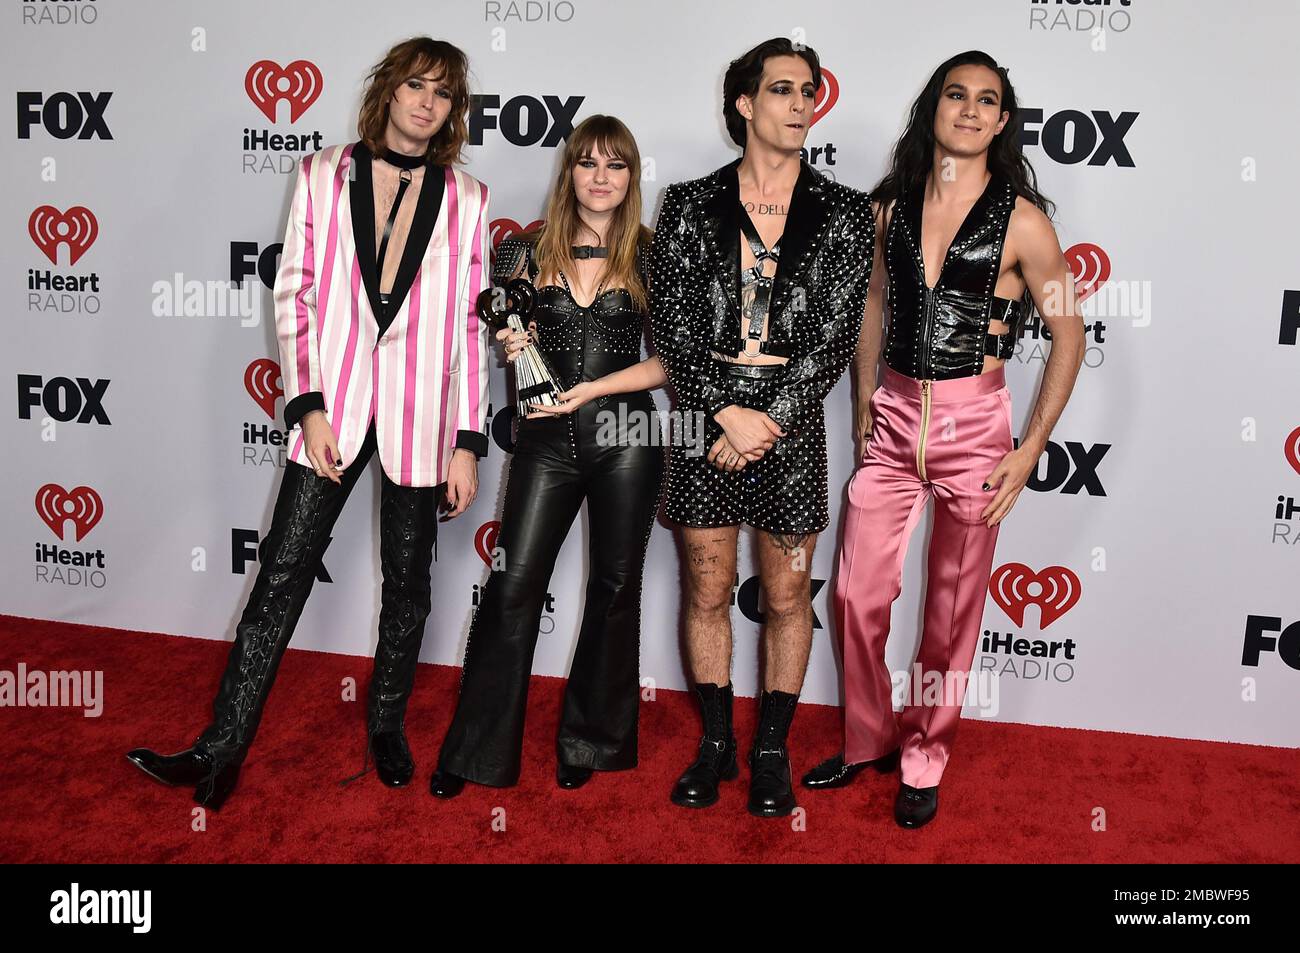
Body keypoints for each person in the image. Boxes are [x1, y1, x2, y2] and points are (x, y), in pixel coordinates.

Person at [126, 37, 492, 810]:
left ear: (453, 111)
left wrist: (467, 440)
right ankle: (221, 748)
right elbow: (294, 296)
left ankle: (387, 727)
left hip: (422, 421)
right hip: (331, 413)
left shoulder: (468, 197)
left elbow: (466, 328)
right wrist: (308, 404)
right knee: (282, 574)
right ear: (389, 92)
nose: (428, 102)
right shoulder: (323, 174)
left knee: (409, 584)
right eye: (416, 86)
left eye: (444, 94)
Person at [805, 51, 1085, 829]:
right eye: (955, 95)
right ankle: (868, 740)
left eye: (985, 100)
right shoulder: (886, 207)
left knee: (952, 613)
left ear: (1000, 121)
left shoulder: (1026, 220)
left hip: (977, 429)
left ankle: (925, 754)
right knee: (860, 595)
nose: (968, 109)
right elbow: (870, 302)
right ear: (934, 108)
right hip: (894, 418)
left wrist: (1030, 448)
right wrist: (865, 393)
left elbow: (1068, 333)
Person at [649, 38, 874, 817]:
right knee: (706, 587)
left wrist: (766, 418)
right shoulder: (684, 202)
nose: (801, 103)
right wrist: (721, 409)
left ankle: (770, 748)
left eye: (809, 90)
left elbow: (838, 335)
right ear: (744, 104)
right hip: (703, 417)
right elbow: (673, 325)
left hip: (791, 424)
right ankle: (714, 744)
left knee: (786, 595)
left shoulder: (845, 212)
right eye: (782, 89)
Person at [430, 115, 666, 797]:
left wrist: (592, 387)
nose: (600, 177)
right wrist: (511, 337)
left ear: (630, 176)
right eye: (587, 163)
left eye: (615, 165)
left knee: (616, 591)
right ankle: (474, 748)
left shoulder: (650, 253)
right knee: (512, 586)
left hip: (627, 441)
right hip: (544, 446)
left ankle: (590, 739)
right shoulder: (527, 248)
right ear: (569, 173)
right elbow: (499, 310)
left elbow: (672, 363)